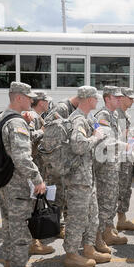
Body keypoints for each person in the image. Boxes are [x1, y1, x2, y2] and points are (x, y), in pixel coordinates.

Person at [0, 82, 47, 267]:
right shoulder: (16, 123)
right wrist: (37, 179)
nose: (32, 101)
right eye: (28, 98)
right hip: (17, 183)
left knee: (9, 225)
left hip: (4, 180)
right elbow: (22, 157)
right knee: (19, 227)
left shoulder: (2, 117)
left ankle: (10, 266)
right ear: (18, 98)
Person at [63, 86, 111, 267]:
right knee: (77, 217)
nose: (97, 101)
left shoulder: (86, 118)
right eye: (95, 98)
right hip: (77, 178)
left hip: (86, 176)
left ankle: (89, 248)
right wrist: (96, 138)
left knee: (92, 215)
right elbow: (79, 146)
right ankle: (71, 254)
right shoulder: (78, 120)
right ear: (89, 99)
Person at [94, 86, 129, 250]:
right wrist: (124, 146)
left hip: (113, 165)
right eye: (116, 97)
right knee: (104, 202)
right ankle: (98, 238)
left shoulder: (113, 115)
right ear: (107, 98)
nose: (119, 99)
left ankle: (108, 231)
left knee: (111, 200)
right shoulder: (102, 115)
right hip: (104, 167)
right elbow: (105, 141)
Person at [22, 91, 55, 256]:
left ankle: (34, 239)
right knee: (33, 204)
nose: (48, 103)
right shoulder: (33, 117)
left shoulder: (39, 116)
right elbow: (28, 138)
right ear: (40, 102)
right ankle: (33, 242)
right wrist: (42, 131)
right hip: (34, 166)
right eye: (46, 101)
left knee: (37, 203)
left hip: (40, 166)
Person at [43, 95, 80, 238]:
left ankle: (61, 225)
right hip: (57, 160)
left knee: (64, 194)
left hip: (65, 160)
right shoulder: (62, 108)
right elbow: (48, 127)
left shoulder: (73, 109)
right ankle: (56, 226)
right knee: (58, 195)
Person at [115, 87, 134, 231]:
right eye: (130, 98)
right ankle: (108, 225)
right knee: (116, 191)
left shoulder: (126, 114)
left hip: (127, 157)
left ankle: (122, 219)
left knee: (125, 190)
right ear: (122, 98)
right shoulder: (115, 114)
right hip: (119, 158)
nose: (132, 101)